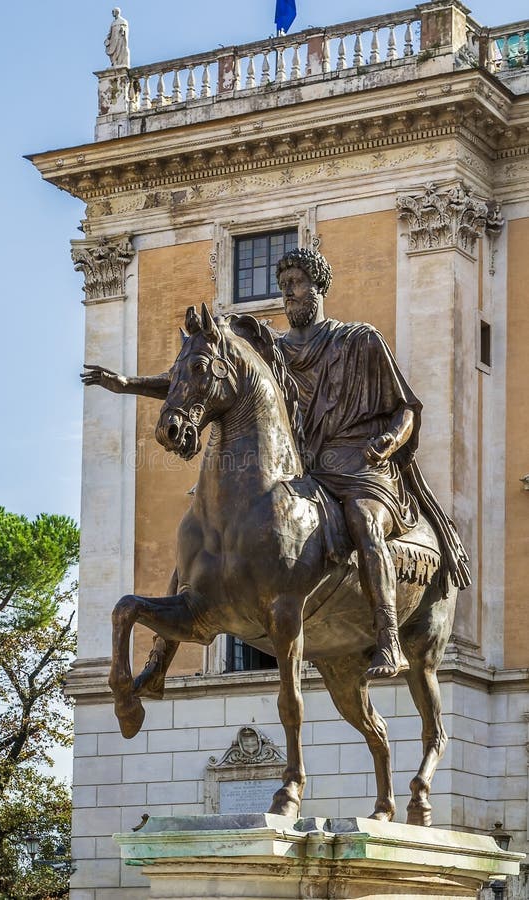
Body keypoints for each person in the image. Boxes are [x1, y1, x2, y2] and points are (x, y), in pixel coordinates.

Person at [82, 248, 470, 680]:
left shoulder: (360, 339)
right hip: (302, 466)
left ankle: (389, 637)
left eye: (297, 284)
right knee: (205, 534)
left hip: (359, 463)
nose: (288, 295)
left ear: (319, 287)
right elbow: (198, 380)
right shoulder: (276, 353)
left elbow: (406, 409)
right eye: (284, 288)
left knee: (363, 520)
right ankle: (159, 660)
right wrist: (126, 384)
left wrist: (388, 440)